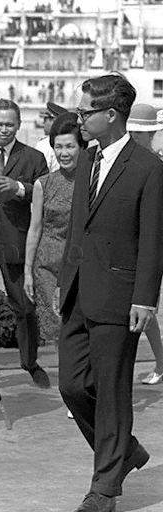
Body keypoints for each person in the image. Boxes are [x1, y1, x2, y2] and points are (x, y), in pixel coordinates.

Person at [58, 74, 163, 512]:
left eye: (85, 112)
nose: (79, 119)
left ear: (111, 115)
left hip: (121, 297)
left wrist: (144, 298)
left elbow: (154, 238)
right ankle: (126, 451)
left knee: (112, 391)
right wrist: (63, 283)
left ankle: (104, 488)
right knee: (72, 386)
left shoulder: (149, 168)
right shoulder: (88, 161)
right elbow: (77, 229)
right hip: (79, 293)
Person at [0, 99, 50, 389]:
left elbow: (46, 192)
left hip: (16, 240)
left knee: (25, 305)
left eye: (9, 124)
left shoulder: (33, 157)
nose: (4, 130)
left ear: (19, 125)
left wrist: (20, 188)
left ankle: (30, 362)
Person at [24, 113, 85, 348]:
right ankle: (67, 382)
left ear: (81, 147)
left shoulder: (91, 181)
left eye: (70, 146)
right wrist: (28, 272)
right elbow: (35, 229)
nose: (64, 153)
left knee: (80, 329)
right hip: (47, 268)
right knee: (57, 330)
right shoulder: (43, 184)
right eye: (58, 147)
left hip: (81, 266)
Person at [125, 103, 163, 386]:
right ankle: (160, 362)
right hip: (138, 243)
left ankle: (160, 363)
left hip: (149, 244)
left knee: (145, 308)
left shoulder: (153, 165)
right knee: (144, 308)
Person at [34, 102, 66, 172]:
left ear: (54, 121)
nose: (43, 123)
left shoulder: (44, 144)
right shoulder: (70, 141)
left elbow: (37, 172)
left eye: (45, 120)